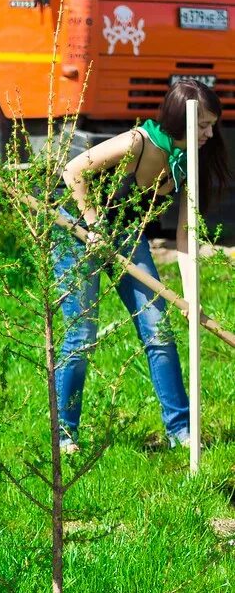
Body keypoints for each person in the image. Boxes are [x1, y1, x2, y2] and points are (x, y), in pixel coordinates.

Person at [53, 80, 231, 451]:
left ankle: (180, 431)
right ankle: (65, 435)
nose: (209, 133)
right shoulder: (137, 142)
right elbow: (73, 171)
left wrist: (191, 293)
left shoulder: (187, 164)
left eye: (212, 125)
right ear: (181, 119)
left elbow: (185, 236)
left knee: (158, 329)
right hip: (77, 233)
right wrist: (95, 224)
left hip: (127, 237)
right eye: (202, 125)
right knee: (81, 335)